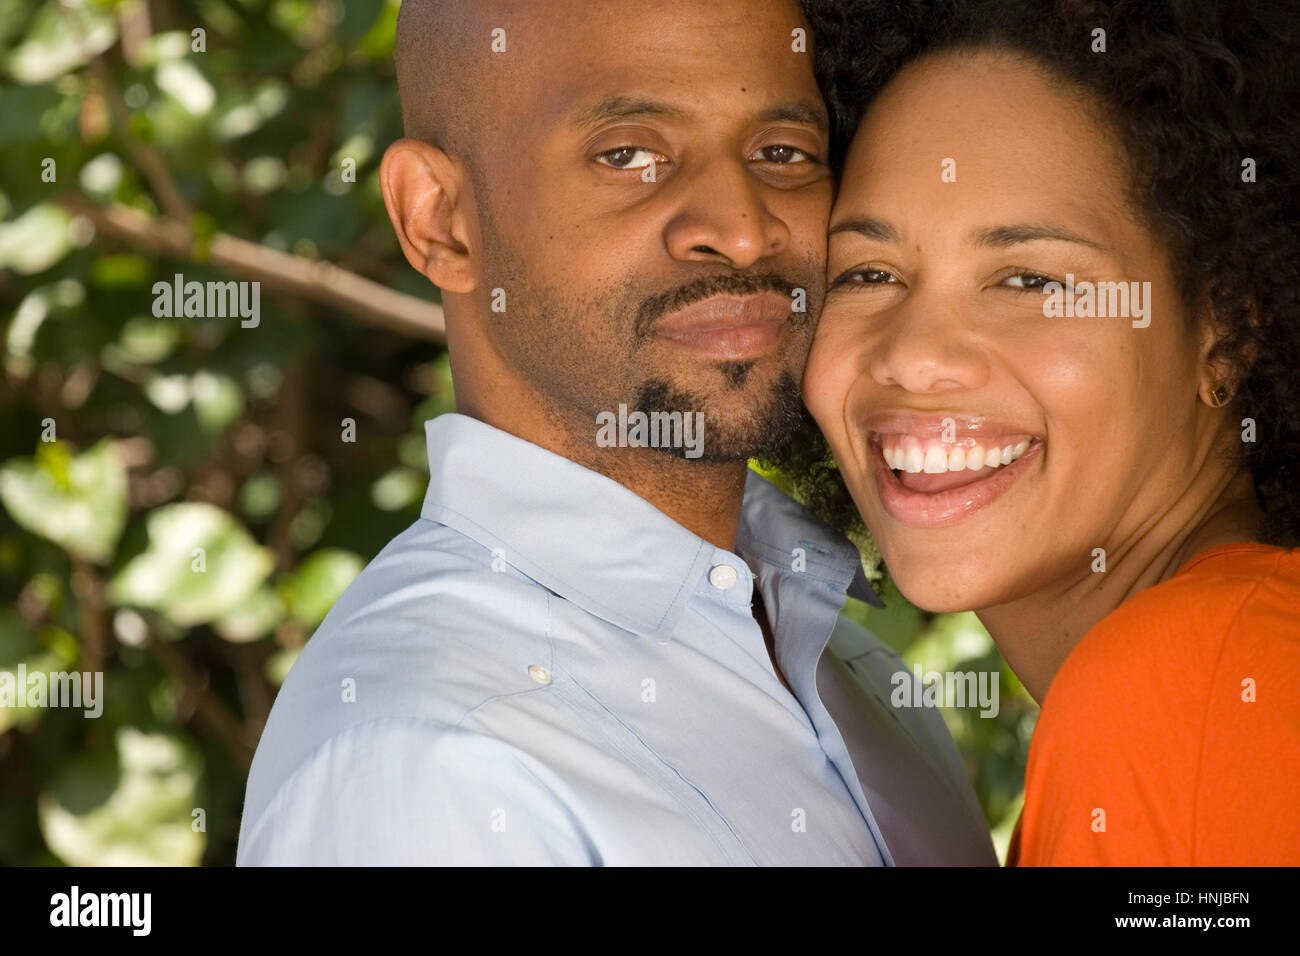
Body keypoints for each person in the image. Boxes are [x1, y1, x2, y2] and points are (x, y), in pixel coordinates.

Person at [236, 0, 995, 866]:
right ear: (439, 218)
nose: (743, 230)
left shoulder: (850, 668)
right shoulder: (426, 766)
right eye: (629, 155)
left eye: (781, 152)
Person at [791, 0, 1300, 864]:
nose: (915, 357)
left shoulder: (1188, 695)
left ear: (1229, 326)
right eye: (868, 272)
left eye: (1027, 279)